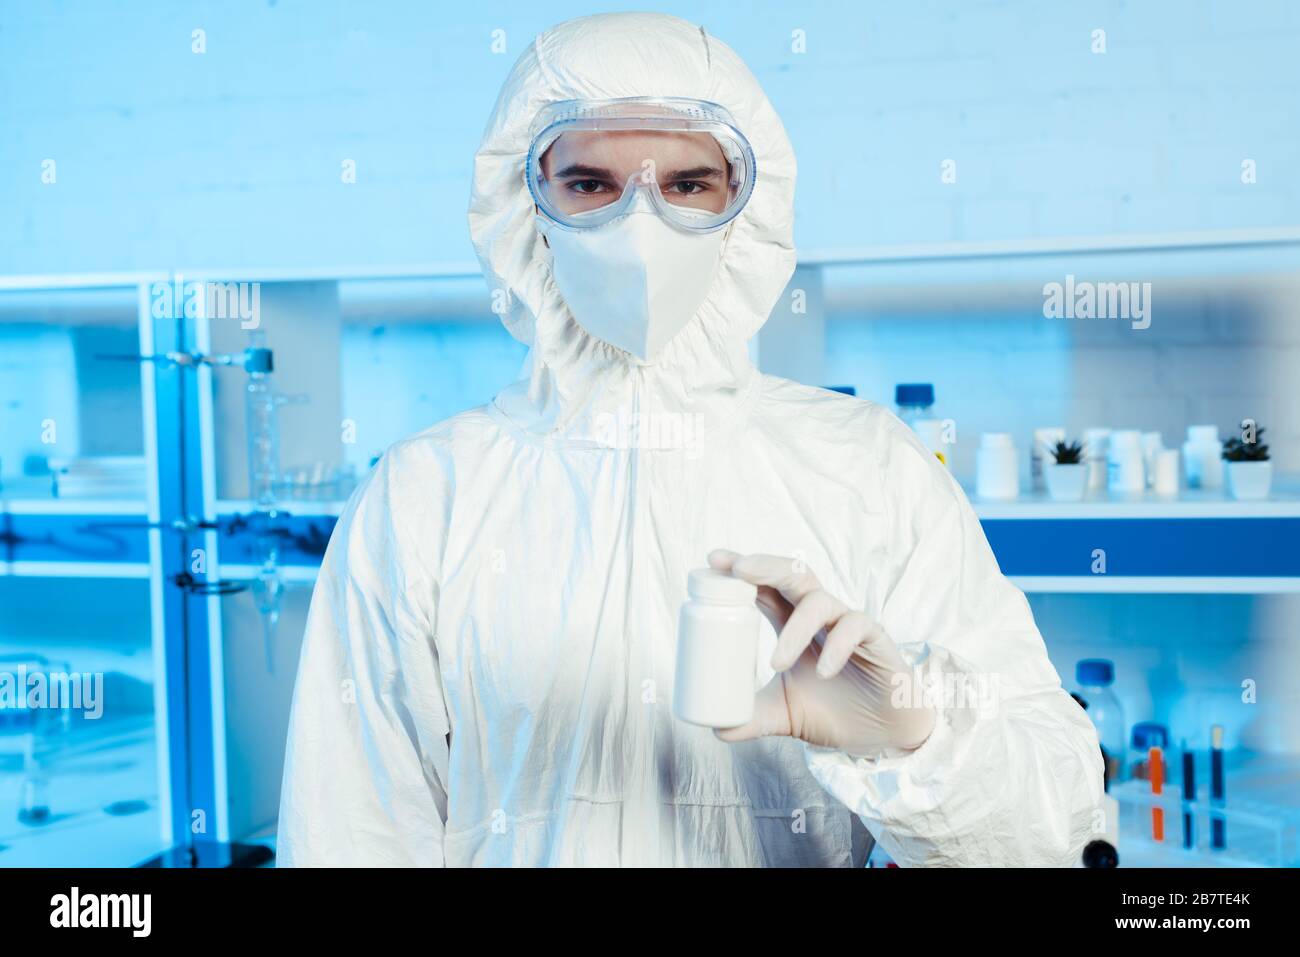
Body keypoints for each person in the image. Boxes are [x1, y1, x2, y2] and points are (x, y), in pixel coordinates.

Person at [277, 11, 1103, 867]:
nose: (642, 228)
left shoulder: (868, 466)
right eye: (592, 184)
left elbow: (1058, 835)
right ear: (526, 205)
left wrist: (915, 734)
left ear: (747, 205)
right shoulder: (424, 495)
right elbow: (351, 832)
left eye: (688, 185)